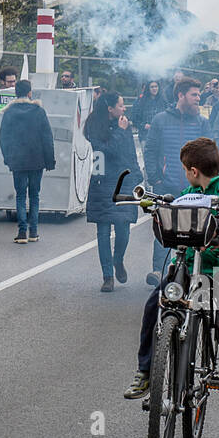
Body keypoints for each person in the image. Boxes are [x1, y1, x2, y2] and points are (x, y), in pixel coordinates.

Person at [125, 138, 219, 414]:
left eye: (185, 169)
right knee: (154, 305)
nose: (186, 174)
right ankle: (147, 371)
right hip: (186, 268)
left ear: (194, 170)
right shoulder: (190, 191)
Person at [143, 77, 210, 286]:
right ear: (180, 95)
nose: (198, 99)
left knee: (193, 233)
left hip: (195, 190)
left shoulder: (202, 122)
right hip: (167, 187)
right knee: (163, 229)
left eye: (199, 95)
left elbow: (210, 156)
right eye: (194, 95)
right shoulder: (161, 120)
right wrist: (155, 179)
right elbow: (150, 150)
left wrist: (206, 184)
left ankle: (188, 274)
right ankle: (159, 271)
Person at [84, 91, 141, 291]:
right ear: (110, 109)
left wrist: (137, 175)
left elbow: (129, 151)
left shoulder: (124, 124)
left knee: (124, 228)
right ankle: (107, 276)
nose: (124, 109)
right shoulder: (94, 125)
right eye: (120, 105)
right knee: (103, 231)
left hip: (124, 179)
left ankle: (118, 260)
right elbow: (107, 150)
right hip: (102, 180)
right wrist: (119, 130)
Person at [0, 79, 55, 243]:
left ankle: (22, 232)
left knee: (21, 195)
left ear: (15, 93)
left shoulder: (9, 112)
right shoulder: (39, 111)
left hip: (18, 160)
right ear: (30, 93)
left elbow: (3, 138)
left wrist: (8, 158)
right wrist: (49, 160)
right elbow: (47, 138)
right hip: (37, 160)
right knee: (35, 195)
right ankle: (34, 232)